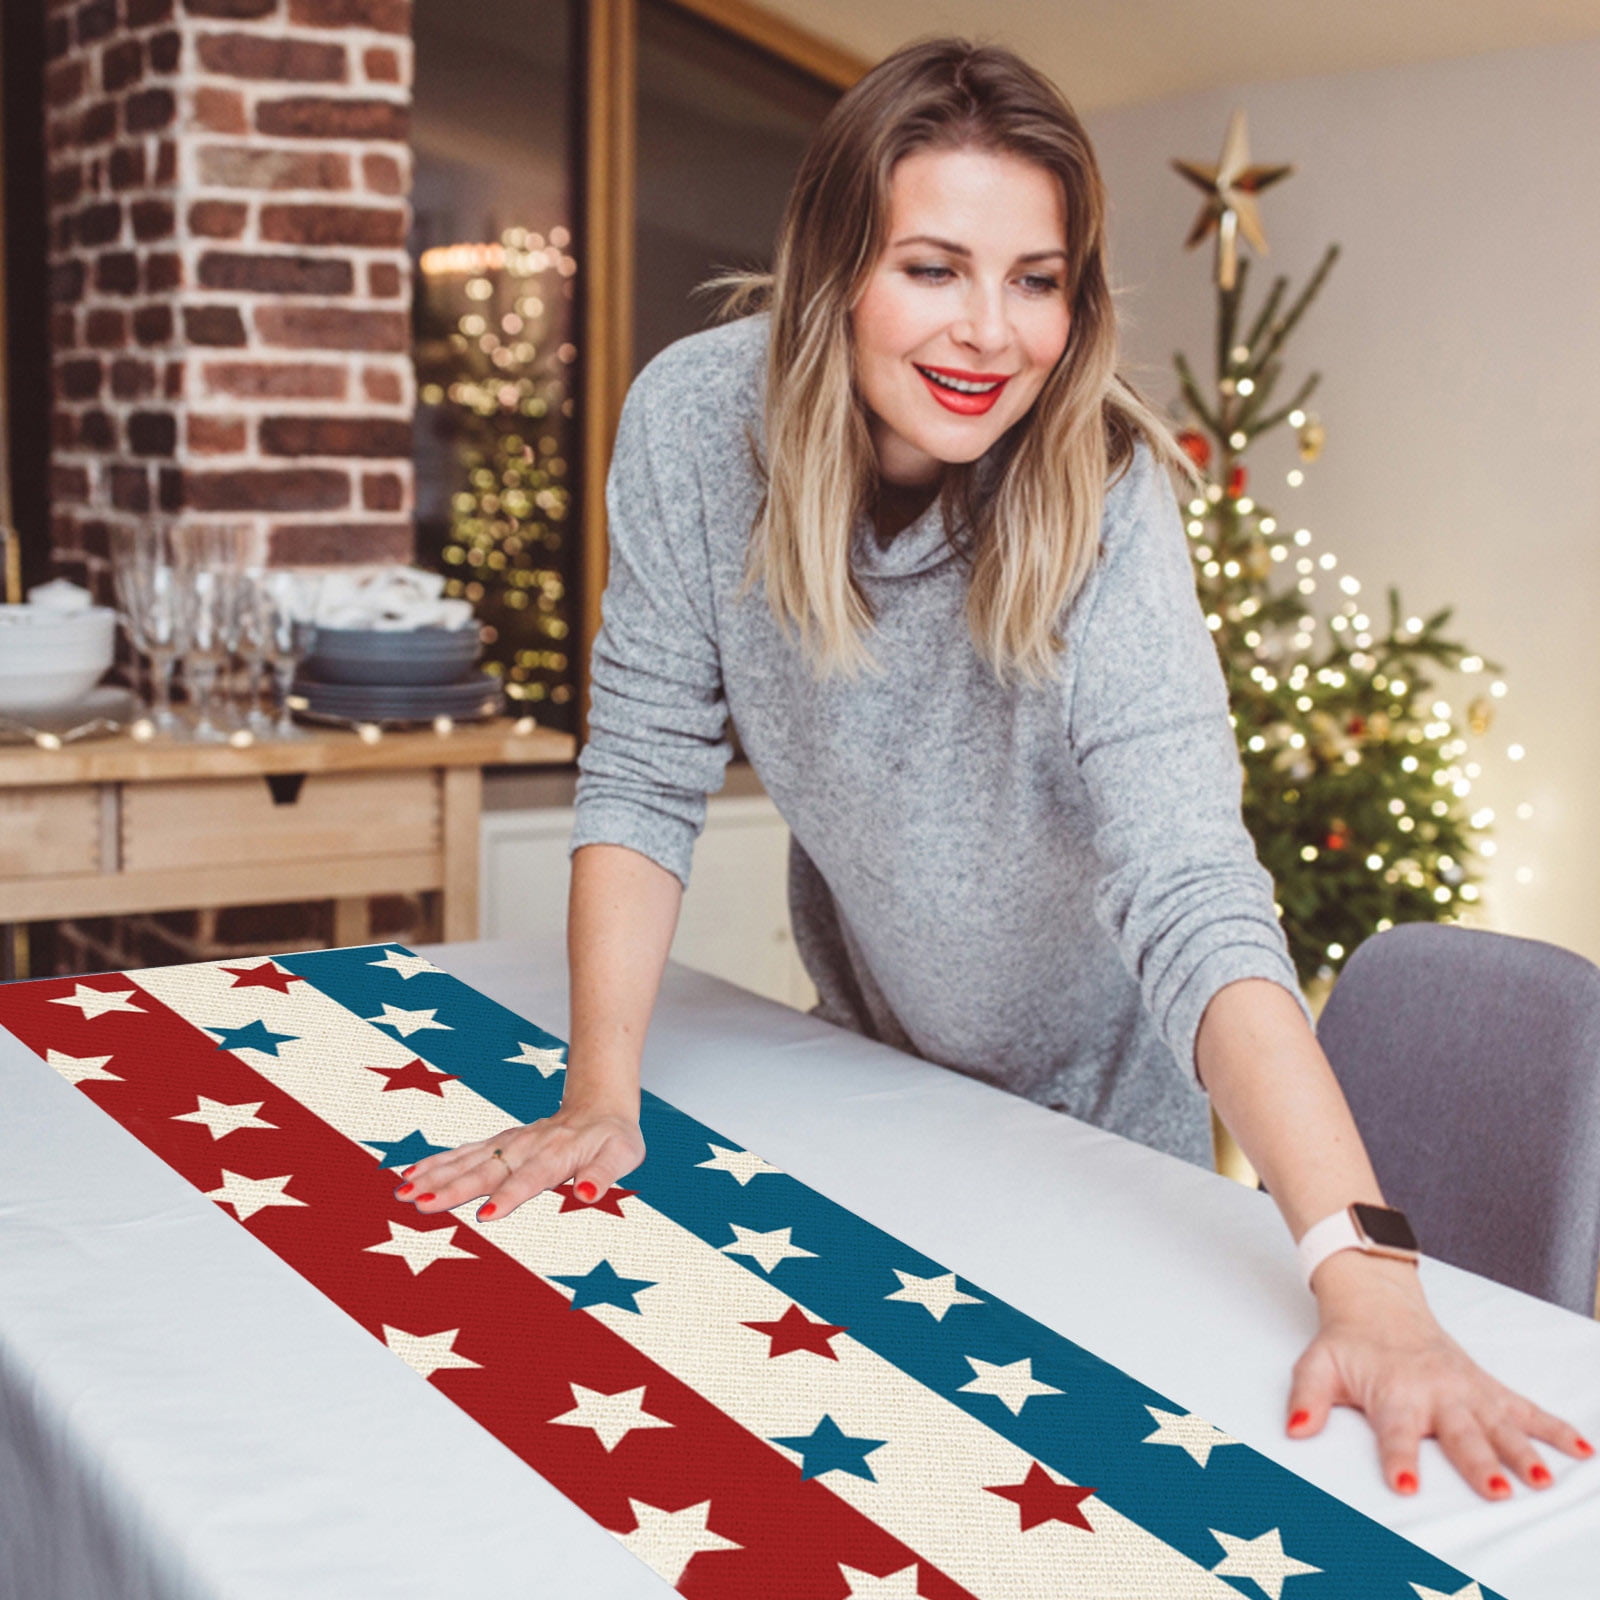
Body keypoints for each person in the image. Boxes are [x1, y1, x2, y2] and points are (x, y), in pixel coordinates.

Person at [395, 37, 1590, 1501]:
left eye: (1038, 278)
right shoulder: (698, 428)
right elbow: (644, 769)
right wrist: (600, 1090)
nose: (990, 333)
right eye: (934, 267)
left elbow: (1192, 886)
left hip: (1102, 1140)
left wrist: (1369, 1282)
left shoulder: (1102, 494)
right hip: (869, 1077)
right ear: (836, 268)